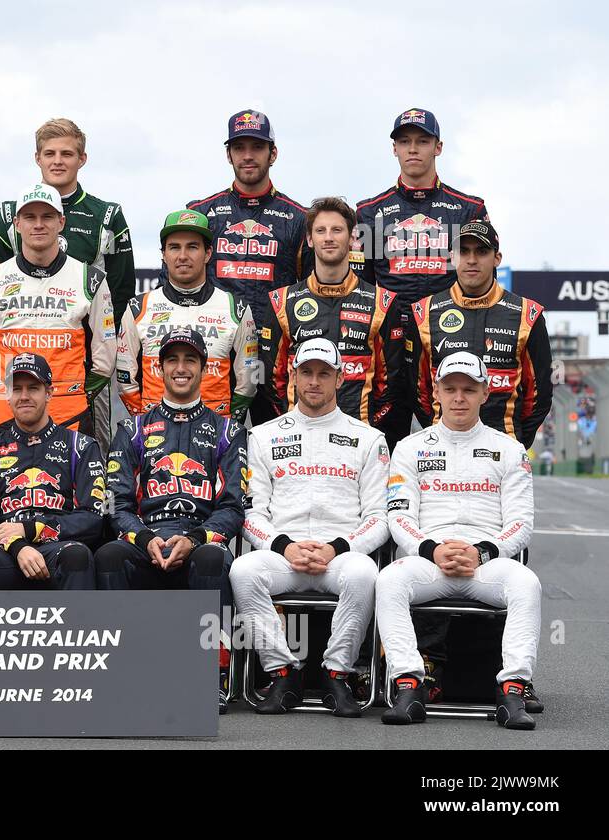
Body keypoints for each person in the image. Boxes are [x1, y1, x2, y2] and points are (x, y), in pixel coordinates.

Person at [378, 352, 539, 730]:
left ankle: (513, 688)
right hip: (429, 560)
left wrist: (480, 553)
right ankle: (408, 683)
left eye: (469, 389)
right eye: (450, 389)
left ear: (486, 392)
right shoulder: (409, 447)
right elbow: (398, 516)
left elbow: (521, 523)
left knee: (526, 583)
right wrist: (432, 550)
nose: (459, 398)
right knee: (387, 580)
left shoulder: (510, 450)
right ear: (436, 392)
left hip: (486, 563)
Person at [232, 338, 388, 717]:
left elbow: (379, 517)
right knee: (242, 570)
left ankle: (338, 673)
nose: (314, 381)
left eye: (324, 373)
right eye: (306, 373)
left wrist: (337, 547)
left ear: (340, 379)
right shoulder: (263, 436)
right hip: (284, 555)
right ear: (293, 378)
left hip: (340, 556)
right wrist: (283, 546)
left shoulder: (369, 439)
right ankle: (284, 673)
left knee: (366, 574)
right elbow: (251, 512)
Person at [95, 327, 247, 711]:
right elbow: (116, 505)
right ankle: (118, 670)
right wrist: (144, 540)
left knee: (213, 558)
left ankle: (211, 674)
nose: (181, 368)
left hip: (199, 544)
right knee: (109, 555)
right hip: (146, 541)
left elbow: (233, 506)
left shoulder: (228, 431)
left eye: (190, 360)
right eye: (173, 360)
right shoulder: (131, 429)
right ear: (158, 369)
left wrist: (195, 538)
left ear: (205, 368)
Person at [187, 110, 308, 424]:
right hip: (218, 350)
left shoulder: (298, 218)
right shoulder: (202, 213)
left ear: (273, 153)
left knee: (281, 445)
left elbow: (310, 291)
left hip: (275, 353)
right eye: (240, 148)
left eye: (257, 147)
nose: (248, 156)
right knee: (211, 445)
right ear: (228, 154)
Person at [256, 197, 406, 446]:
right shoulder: (281, 301)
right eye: (320, 230)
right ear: (309, 239)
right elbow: (272, 381)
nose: (328, 237)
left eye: (337, 230)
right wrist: (292, 420)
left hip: (359, 440)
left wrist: (366, 428)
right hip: (296, 438)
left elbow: (391, 383)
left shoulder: (383, 302)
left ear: (351, 238)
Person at [0, 183, 116, 439]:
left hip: (70, 415)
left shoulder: (90, 279)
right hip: (7, 415)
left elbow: (105, 359)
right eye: (30, 217)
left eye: (47, 216)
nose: (38, 224)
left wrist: (76, 393)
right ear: (16, 223)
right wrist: (1, 393)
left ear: (61, 222)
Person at [0, 353, 105, 590]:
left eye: (33, 388)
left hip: (59, 548)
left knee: (78, 556)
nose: (24, 396)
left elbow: (93, 518)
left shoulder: (82, 447)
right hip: (6, 550)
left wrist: (30, 529)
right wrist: (17, 545)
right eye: (16, 388)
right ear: (7, 395)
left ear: (49, 393)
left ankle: (81, 626)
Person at [408, 221, 552, 448]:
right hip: (442, 447)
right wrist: (440, 431)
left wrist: (517, 441)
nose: (472, 260)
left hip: (504, 448)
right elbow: (418, 391)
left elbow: (540, 395)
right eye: (463, 251)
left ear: (497, 258)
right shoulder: (424, 312)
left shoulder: (527, 314)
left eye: (482, 251)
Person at [117, 208, 257, 422]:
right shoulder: (138, 307)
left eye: (192, 247)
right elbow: (125, 378)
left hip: (214, 431)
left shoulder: (235, 308)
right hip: (154, 429)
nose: (183, 256)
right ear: (163, 254)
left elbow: (249, 380)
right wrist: (145, 421)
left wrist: (226, 425)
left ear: (208, 253)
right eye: (174, 247)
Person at [0, 118, 135, 316]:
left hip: (83, 341)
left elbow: (121, 296)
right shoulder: (8, 216)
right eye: (49, 154)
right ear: (38, 158)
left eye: (67, 154)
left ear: (82, 159)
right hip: (18, 338)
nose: (57, 161)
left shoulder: (108, 217)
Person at [353, 109, 489, 301]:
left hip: (450, 325)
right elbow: (361, 289)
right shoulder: (368, 212)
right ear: (394, 148)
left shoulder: (469, 209)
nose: (413, 149)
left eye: (423, 141)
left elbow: (485, 283)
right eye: (404, 141)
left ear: (438, 147)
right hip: (390, 326)